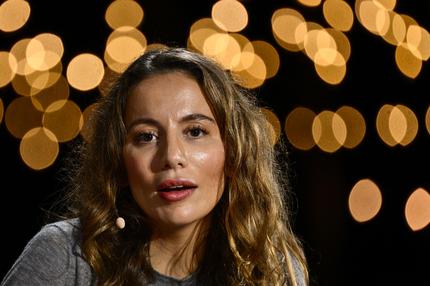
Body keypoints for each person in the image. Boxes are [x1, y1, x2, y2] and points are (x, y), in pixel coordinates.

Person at [1, 47, 308, 285]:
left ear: (234, 151)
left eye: (195, 132)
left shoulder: (270, 267)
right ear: (119, 161)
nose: (172, 156)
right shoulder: (65, 256)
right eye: (146, 136)